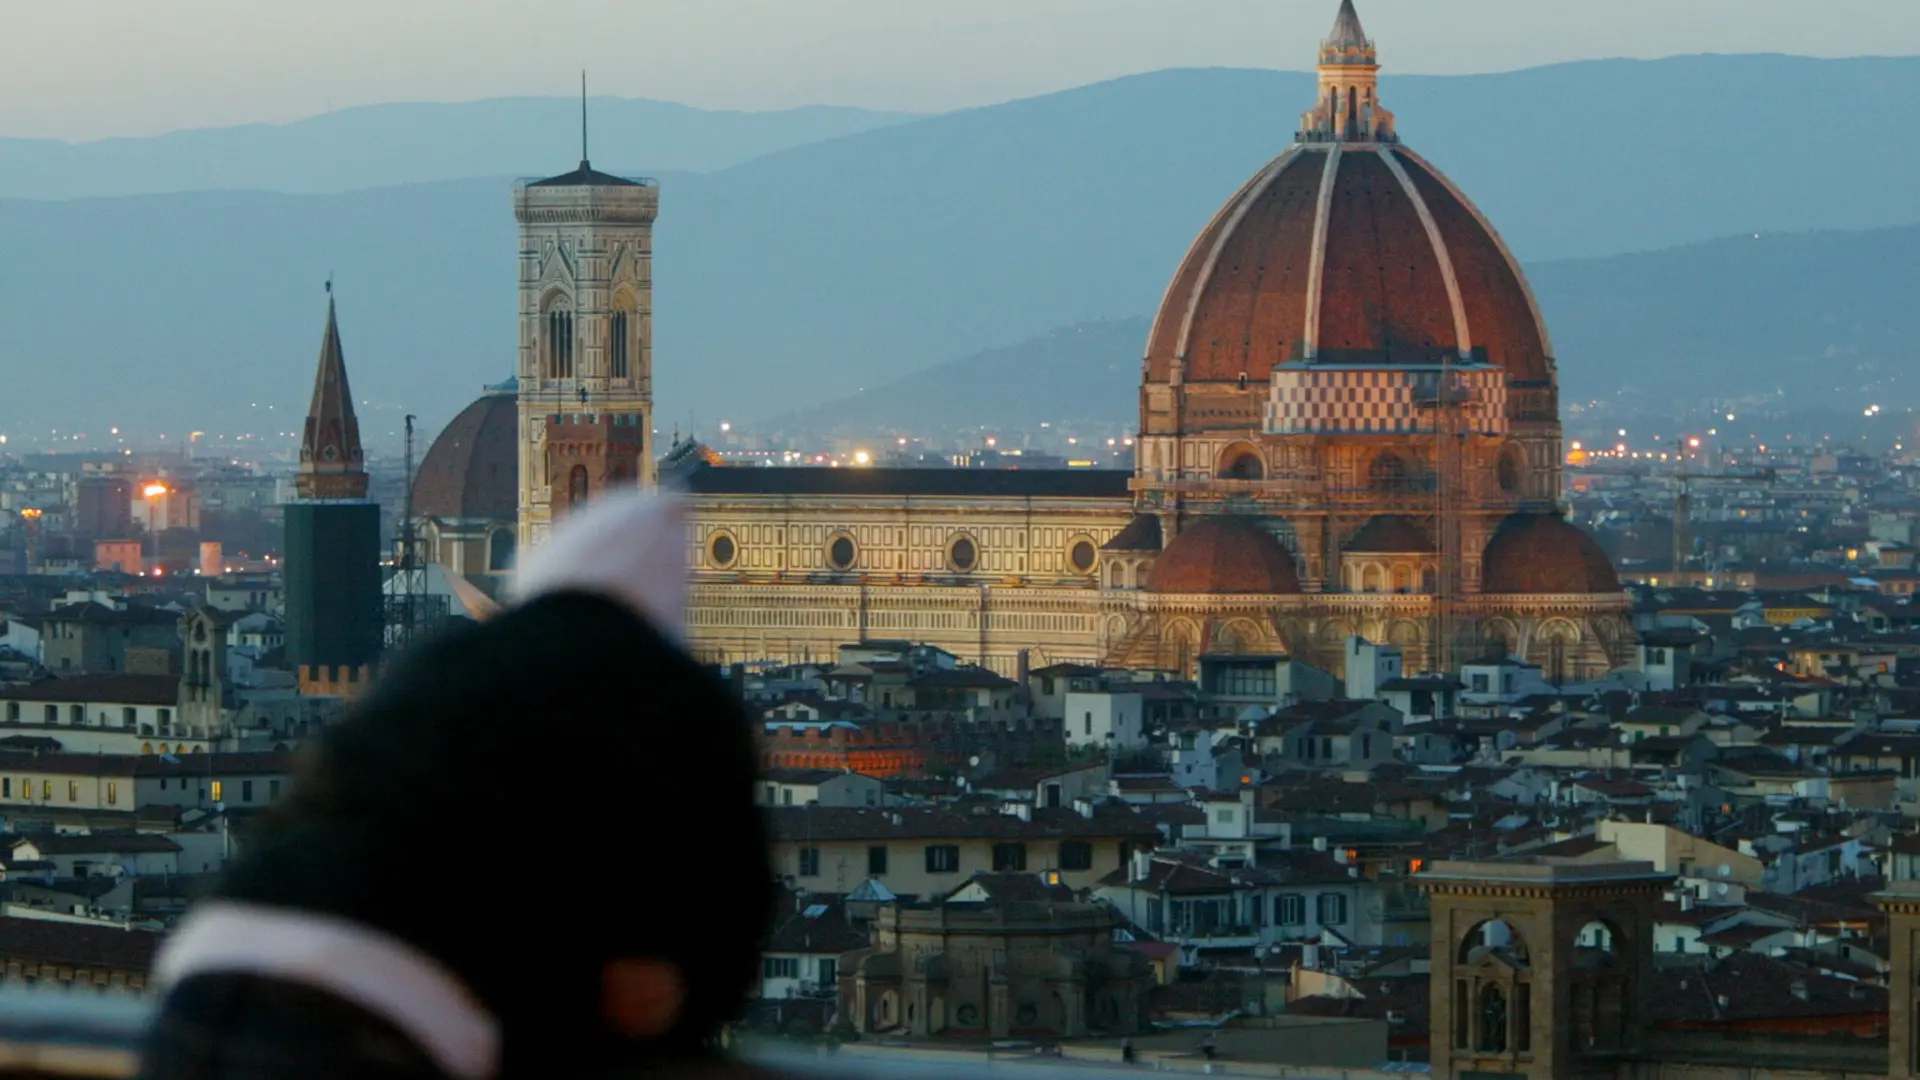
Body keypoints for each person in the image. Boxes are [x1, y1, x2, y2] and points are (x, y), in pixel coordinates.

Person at [140, 492, 776, 1079]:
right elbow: (724, 904)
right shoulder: (673, 697)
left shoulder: (441, 659)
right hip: (383, 1002)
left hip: (210, 954)